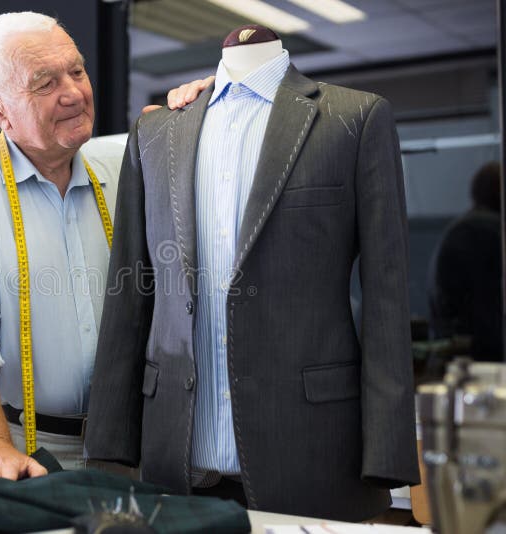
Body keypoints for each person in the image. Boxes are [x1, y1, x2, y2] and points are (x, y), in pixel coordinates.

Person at [85, 25, 420, 521]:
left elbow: (388, 291)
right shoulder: (156, 132)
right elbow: (133, 288)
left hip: (311, 449)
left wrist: (387, 451)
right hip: (176, 458)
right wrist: (111, 435)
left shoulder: (354, 118)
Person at [0, 11, 208, 480]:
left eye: (76, 71)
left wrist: (200, 117)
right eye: (45, 83)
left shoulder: (123, 164)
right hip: (19, 450)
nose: (74, 92)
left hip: (128, 445)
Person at [428, 161, 503, 361]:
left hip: (455, 349)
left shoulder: (460, 229)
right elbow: (489, 311)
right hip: (482, 356)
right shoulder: (488, 232)